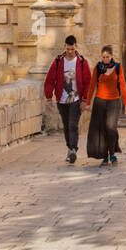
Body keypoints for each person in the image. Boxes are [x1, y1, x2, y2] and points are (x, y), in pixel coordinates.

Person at [44, 34, 91, 164]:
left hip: (76, 99)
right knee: (66, 126)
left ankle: (73, 150)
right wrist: (48, 97)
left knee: (73, 125)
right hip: (62, 100)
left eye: (72, 49)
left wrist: (84, 100)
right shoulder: (58, 62)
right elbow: (49, 80)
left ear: (76, 47)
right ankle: (70, 149)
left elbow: (88, 82)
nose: (70, 52)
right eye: (68, 49)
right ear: (65, 47)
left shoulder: (82, 62)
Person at [85, 44, 126, 166]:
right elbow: (92, 86)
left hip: (114, 101)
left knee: (111, 127)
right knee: (102, 129)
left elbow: (123, 85)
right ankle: (105, 155)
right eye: (103, 57)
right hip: (100, 101)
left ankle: (113, 153)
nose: (105, 59)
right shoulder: (98, 68)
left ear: (111, 56)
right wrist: (88, 102)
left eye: (107, 57)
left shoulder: (117, 67)